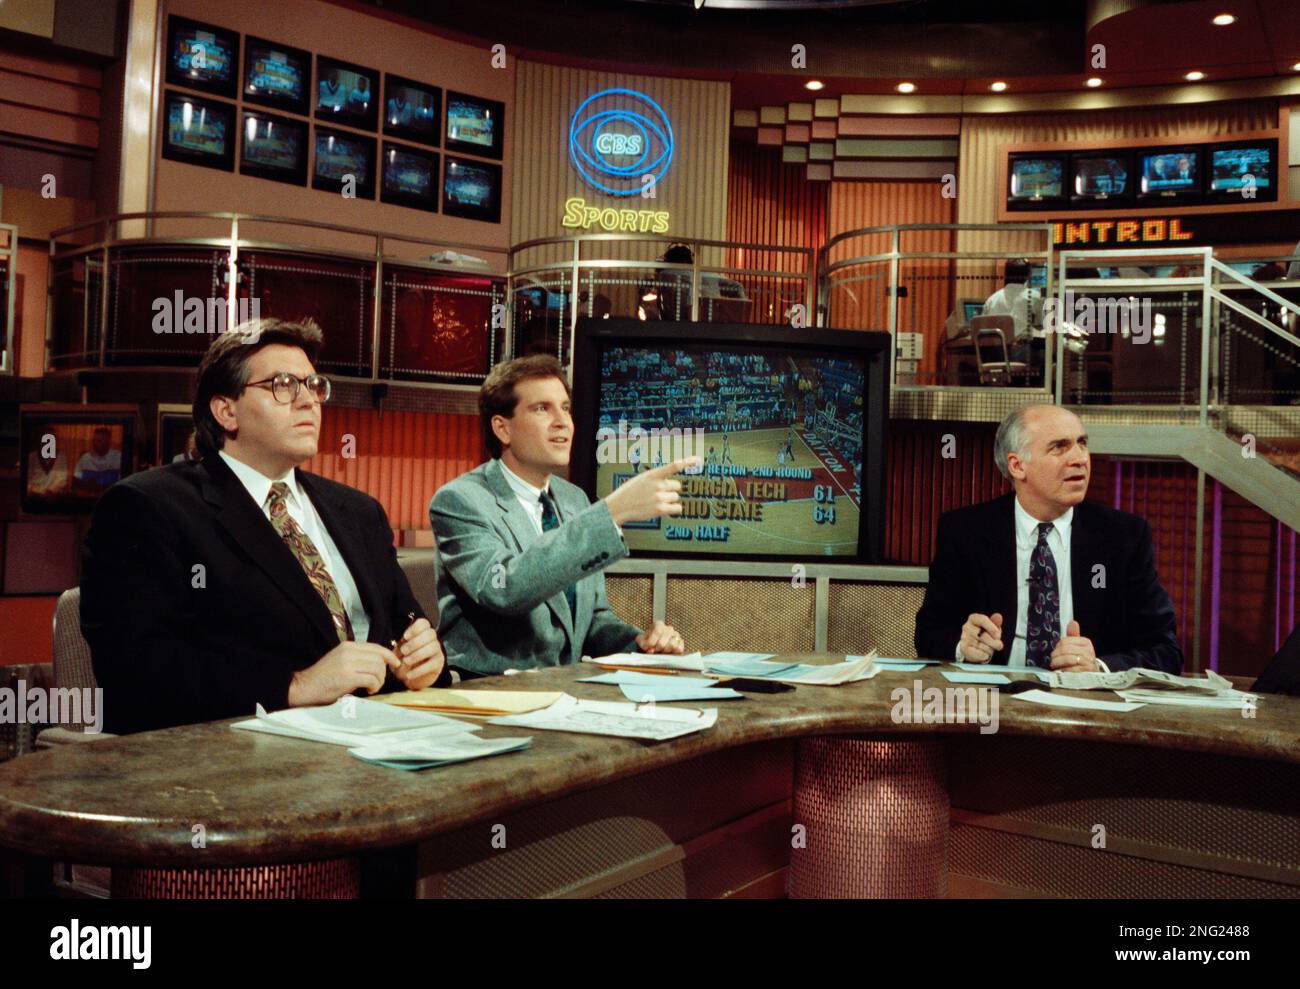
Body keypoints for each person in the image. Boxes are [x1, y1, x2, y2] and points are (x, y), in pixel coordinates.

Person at [81, 319, 445, 734]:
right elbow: (134, 671)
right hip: (230, 762)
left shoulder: (359, 511)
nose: (309, 401)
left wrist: (424, 658)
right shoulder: (148, 508)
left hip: (382, 739)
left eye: (313, 385)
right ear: (226, 411)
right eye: (284, 384)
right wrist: (293, 685)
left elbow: (405, 624)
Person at [430, 355, 692, 678]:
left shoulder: (574, 500)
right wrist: (613, 511)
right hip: (489, 697)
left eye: (565, 408)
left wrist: (639, 644)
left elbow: (592, 621)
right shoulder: (460, 501)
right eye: (542, 408)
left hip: (563, 695)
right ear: (503, 428)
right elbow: (505, 588)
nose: (563, 422)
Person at [914, 404, 1183, 673]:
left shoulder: (1123, 537)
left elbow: (1165, 649)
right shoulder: (965, 531)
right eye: (1059, 447)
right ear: (1018, 466)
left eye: (1082, 444)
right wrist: (963, 646)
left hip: (1085, 702)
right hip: (993, 698)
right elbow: (928, 634)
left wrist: (1099, 667)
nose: (1080, 459)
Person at [981, 258, 1042, 341]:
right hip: (1022, 349)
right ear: (1028, 275)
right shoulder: (1035, 297)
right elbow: (1041, 324)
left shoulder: (992, 299)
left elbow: (982, 327)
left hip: (994, 350)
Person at [72, 427, 122, 493]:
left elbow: (121, 484)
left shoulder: (118, 457)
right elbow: (75, 482)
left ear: (108, 441)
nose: (96, 443)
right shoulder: (85, 458)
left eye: (100, 440)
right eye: (94, 440)